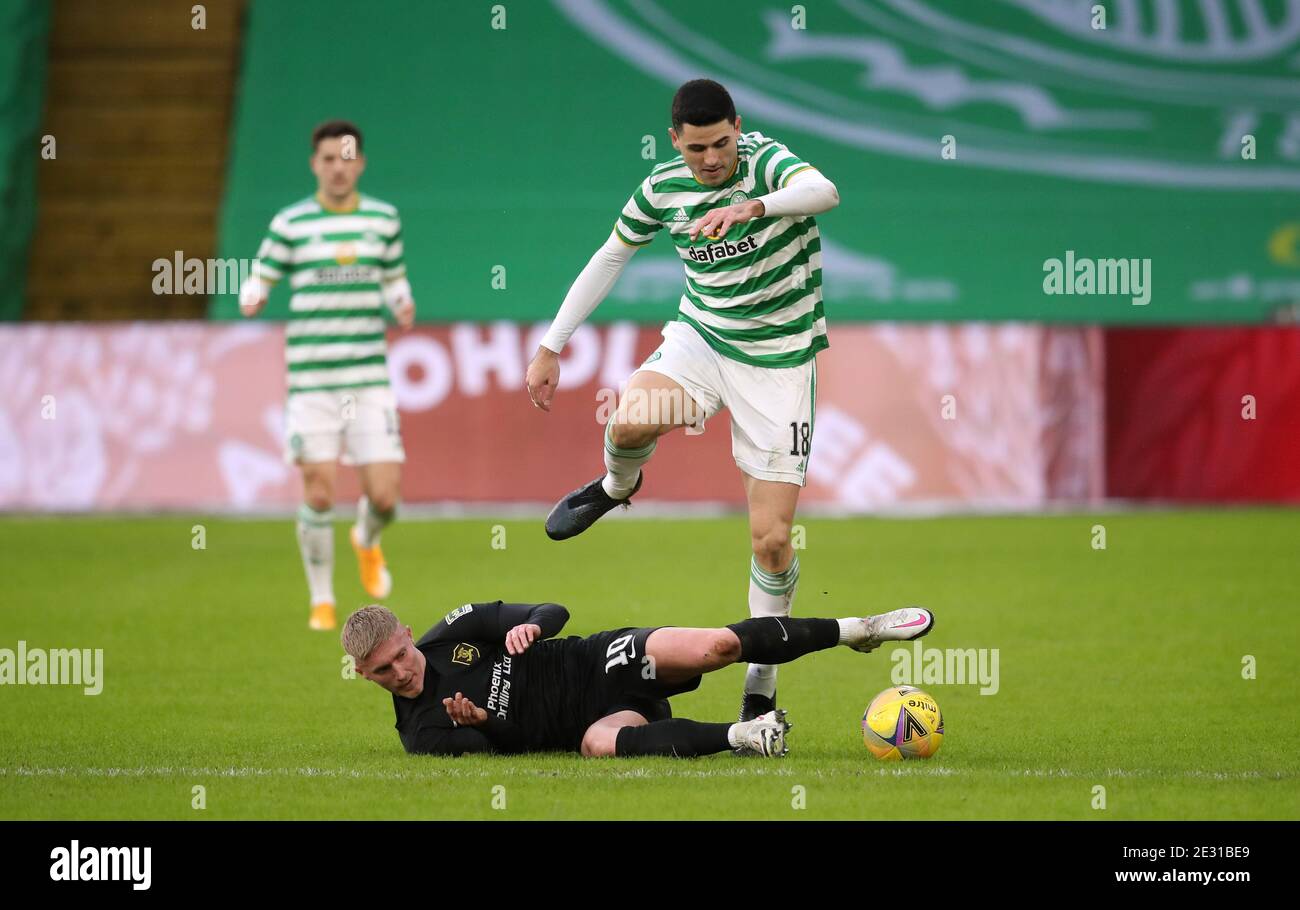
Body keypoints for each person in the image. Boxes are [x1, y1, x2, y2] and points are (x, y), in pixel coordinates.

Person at [525, 79, 841, 722]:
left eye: (722, 143)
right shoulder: (663, 186)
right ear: (675, 140)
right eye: (697, 148)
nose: (712, 160)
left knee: (771, 541)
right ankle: (616, 486)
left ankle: (760, 689)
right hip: (704, 341)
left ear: (738, 129)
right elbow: (611, 257)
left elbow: (826, 193)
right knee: (630, 419)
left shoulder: (767, 163)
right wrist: (552, 346)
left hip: (778, 363)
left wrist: (752, 208)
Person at [342, 600, 934, 758]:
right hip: (598, 723)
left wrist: (530, 629)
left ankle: (857, 628)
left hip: (596, 661)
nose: (401, 671)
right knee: (596, 747)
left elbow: (553, 611)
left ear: (408, 633)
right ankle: (745, 736)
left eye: (400, 653)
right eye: (382, 672)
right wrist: (483, 723)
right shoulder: (421, 732)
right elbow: (497, 748)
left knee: (719, 645)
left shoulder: (452, 629)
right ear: (364, 676)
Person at [239, 120, 415, 631]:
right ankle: (321, 598)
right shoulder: (291, 223)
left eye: (347, 158)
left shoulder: (383, 220)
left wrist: (401, 302)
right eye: (328, 160)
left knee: (385, 496)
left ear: (360, 163)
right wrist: (253, 292)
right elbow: (261, 272)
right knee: (317, 491)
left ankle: (366, 537)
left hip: (367, 381)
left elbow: (394, 278)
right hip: (312, 382)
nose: (338, 168)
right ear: (315, 165)